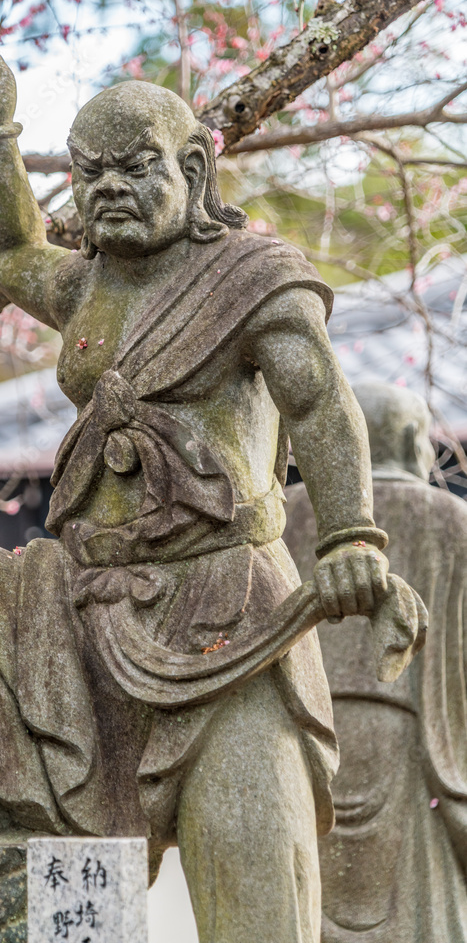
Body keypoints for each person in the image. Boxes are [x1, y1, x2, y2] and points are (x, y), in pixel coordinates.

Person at [0, 5, 413, 943]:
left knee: (255, 906)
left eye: (134, 168)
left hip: (225, 610)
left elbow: (320, 404)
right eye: (89, 173)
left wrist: (348, 536)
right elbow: (11, 254)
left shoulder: (252, 278)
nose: (109, 190)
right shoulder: (86, 286)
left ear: (194, 170)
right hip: (79, 609)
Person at [284, 381, 467, 942]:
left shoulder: (288, 517)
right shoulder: (449, 519)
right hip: (415, 738)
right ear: (412, 441)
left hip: (303, 737)